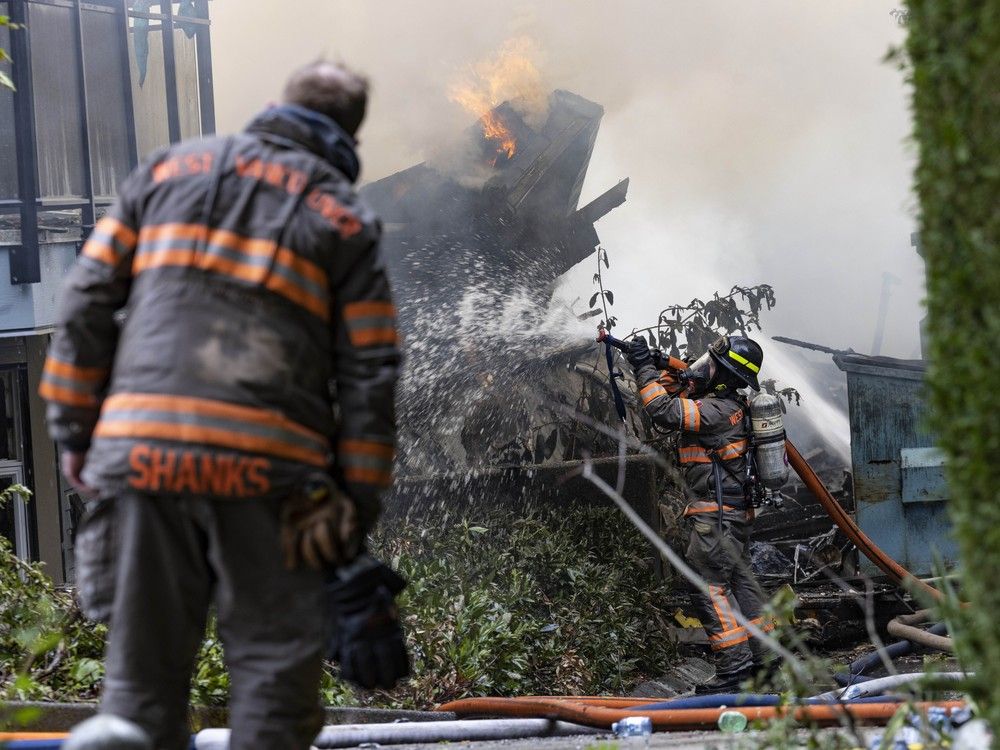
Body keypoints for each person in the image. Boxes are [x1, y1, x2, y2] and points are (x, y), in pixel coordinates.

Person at [40, 60, 405, 749]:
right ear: (348, 134)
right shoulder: (346, 219)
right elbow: (371, 373)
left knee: (139, 685)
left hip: (139, 458)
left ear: (274, 106)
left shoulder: (166, 171)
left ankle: (121, 733)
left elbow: (85, 299)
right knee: (274, 680)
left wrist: (77, 432)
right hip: (270, 473)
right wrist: (352, 513)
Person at [625, 334, 775, 693]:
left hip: (717, 520)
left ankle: (735, 671)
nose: (705, 368)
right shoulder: (728, 405)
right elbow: (671, 398)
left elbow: (661, 410)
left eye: (713, 366)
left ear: (724, 377)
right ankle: (764, 661)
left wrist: (643, 366)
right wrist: (667, 369)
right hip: (732, 517)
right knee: (740, 582)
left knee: (709, 589)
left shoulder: (716, 411)